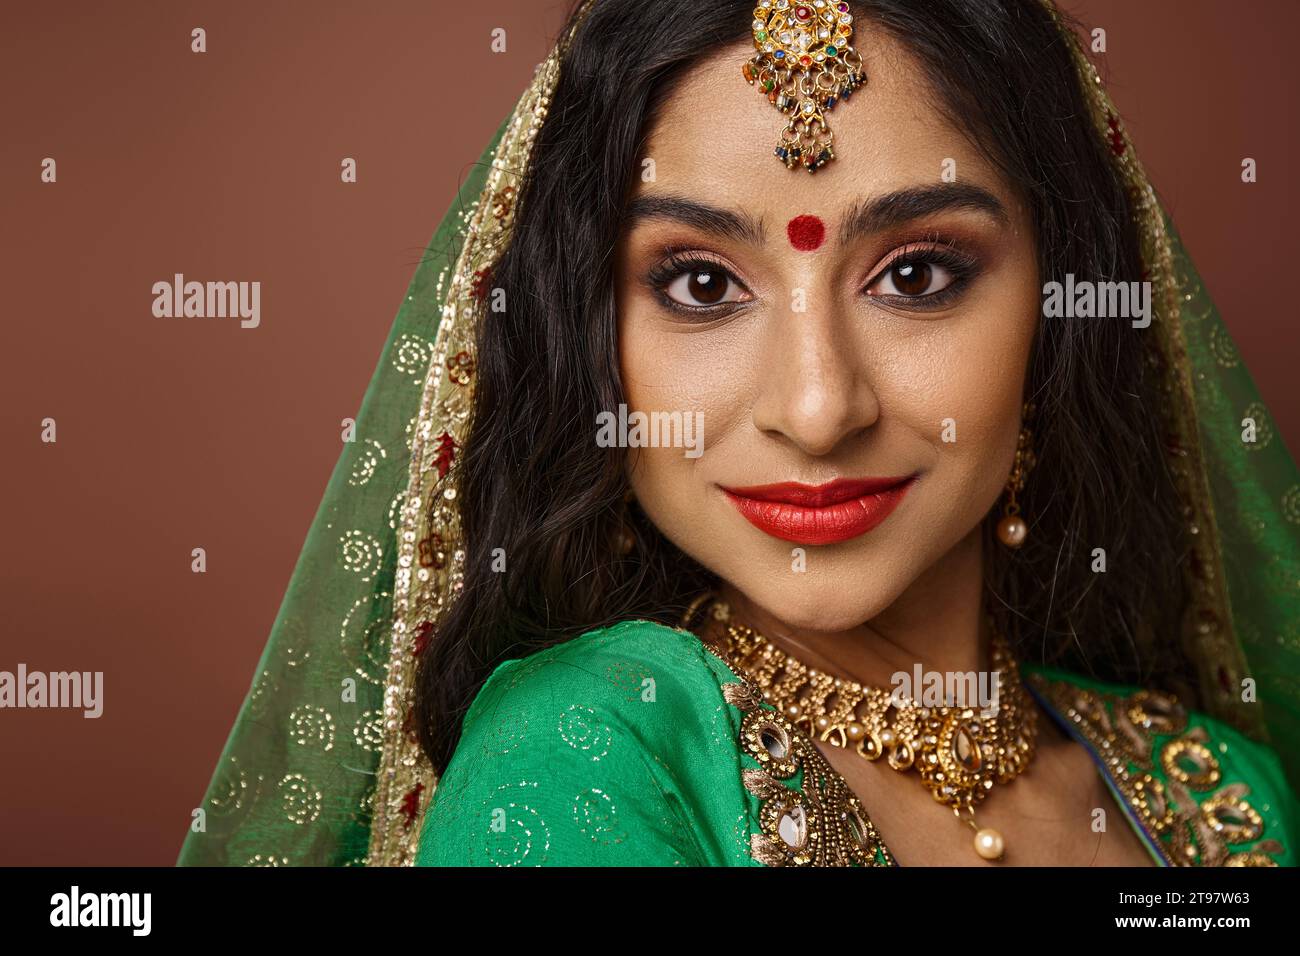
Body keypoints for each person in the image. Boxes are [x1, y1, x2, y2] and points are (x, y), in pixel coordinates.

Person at [178, 0, 1300, 868]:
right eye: (702, 282)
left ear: (1062, 311)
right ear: (585, 334)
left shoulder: (1220, 799)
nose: (817, 408)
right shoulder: (591, 754)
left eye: (916, 273)